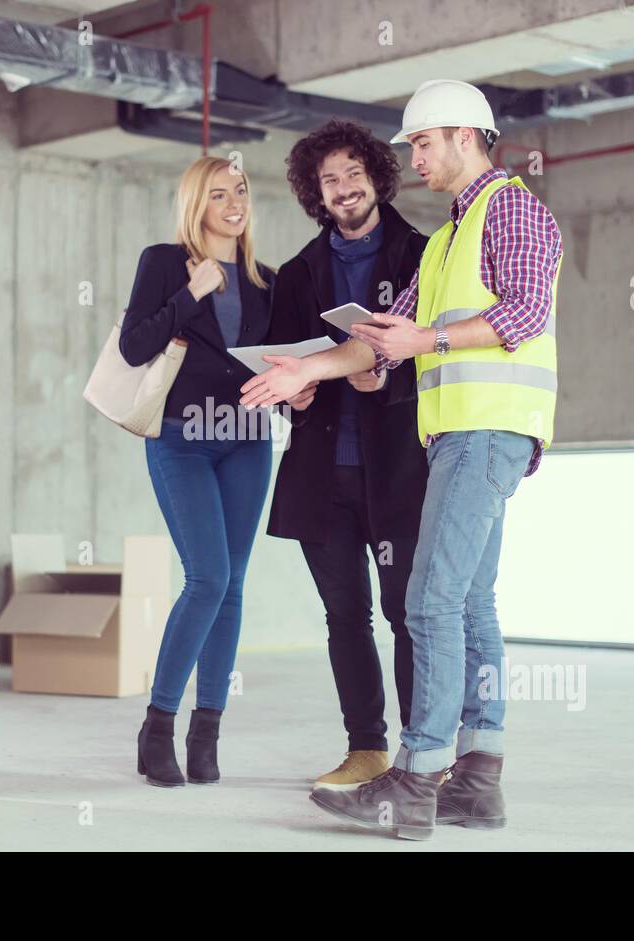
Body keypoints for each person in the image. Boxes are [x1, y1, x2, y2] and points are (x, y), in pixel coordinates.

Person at [239, 80, 563, 840]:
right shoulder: (451, 234)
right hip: (460, 433)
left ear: (463, 136)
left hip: (488, 428)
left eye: (421, 142)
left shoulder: (508, 206)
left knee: (427, 604)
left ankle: (415, 780)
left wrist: (426, 342)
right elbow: (383, 338)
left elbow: (523, 310)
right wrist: (304, 371)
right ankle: (478, 780)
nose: (413, 157)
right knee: (472, 607)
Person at [265, 120, 429, 789]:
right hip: (323, 475)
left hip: (398, 471)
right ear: (316, 192)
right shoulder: (299, 272)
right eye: (328, 179)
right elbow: (283, 363)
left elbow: (439, 351)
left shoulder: (421, 254)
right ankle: (367, 749)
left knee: (408, 613)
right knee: (345, 616)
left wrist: (385, 375)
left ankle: (425, 755)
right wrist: (295, 398)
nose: (343, 188)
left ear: (375, 176)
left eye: (352, 173)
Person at [120, 155, 277, 788]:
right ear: (196, 205)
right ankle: (157, 726)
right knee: (207, 577)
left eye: (240, 189)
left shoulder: (267, 281)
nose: (234, 202)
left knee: (234, 584)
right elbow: (135, 346)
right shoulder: (163, 262)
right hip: (182, 439)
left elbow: (275, 358)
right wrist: (193, 293)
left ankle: (206, 732)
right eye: (219, 194)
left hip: (246, 440)